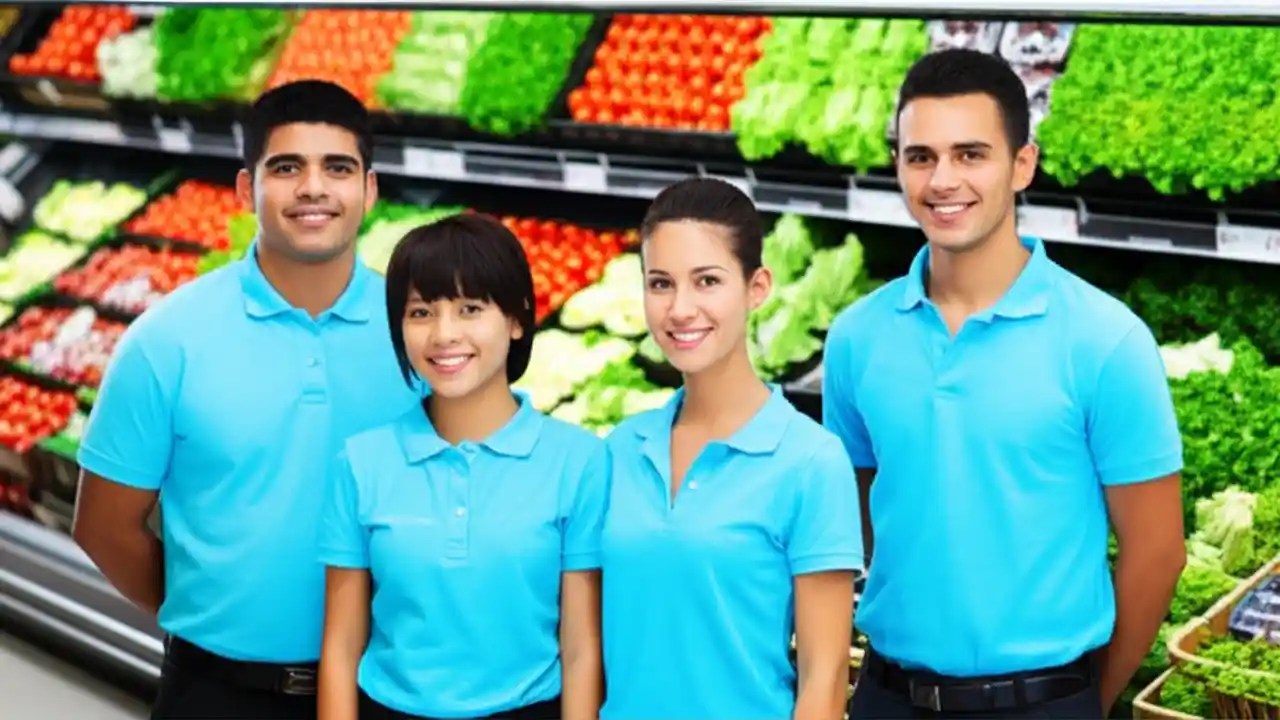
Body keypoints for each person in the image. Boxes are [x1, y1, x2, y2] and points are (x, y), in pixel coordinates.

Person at [823, 49, 1186, 719]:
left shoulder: (1107, 341)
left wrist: (1087, 700)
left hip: (1044, 699)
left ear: (1023, 164)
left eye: (970, 154)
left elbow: (1158, 552)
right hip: (887, 697)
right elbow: (872, 513)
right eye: (920, 156)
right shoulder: (856, 338)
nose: (942, 181)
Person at [71, 80, 421, 720]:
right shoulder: (166, 339)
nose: (313, 188)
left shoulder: (423, 334)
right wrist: (212, 616)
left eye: (337, 168)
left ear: (369, 191)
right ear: (243, 190)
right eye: (286, 168)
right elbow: (102, 525)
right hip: (217, 693)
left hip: (391, 685)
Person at [316, 212, 606, 720]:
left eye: (470, 308)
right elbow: (341, 649)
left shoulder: (579, 461)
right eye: (421, 312)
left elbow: (581, 652)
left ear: (516, 319)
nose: (444, 334)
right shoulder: (361, 463)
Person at [599, 178, 862, 720]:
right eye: (661, 283)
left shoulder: (810, 461)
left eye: (707, 281)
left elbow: (825, 678)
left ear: (757, 286)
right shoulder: (619, 450)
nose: (680, 309)